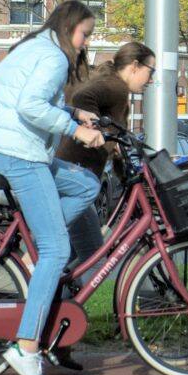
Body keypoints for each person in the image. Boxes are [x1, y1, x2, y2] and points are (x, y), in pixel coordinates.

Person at [0, 0, 106, 375]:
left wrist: (71, 110)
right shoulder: (54, 58)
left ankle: (37, 238)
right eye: (84, 35)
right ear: (69, 29)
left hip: (2, 146)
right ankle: (27, 347)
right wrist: (75, 129)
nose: (85, 44)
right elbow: (29, 105)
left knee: (85, 184)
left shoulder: (33, 46)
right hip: (20, 154)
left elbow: (28, 98)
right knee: (55, 250)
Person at [57, 40, 156, 279]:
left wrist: (113, 143)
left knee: (82, 254)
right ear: (134, 66)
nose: (151, 80)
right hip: (76, 173)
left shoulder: (115, 86)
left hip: (76, 169)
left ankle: (63, 308)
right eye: (150, 71)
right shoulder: (116, 87)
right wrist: (98, 133)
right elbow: (82, 98)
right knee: (83, 253)